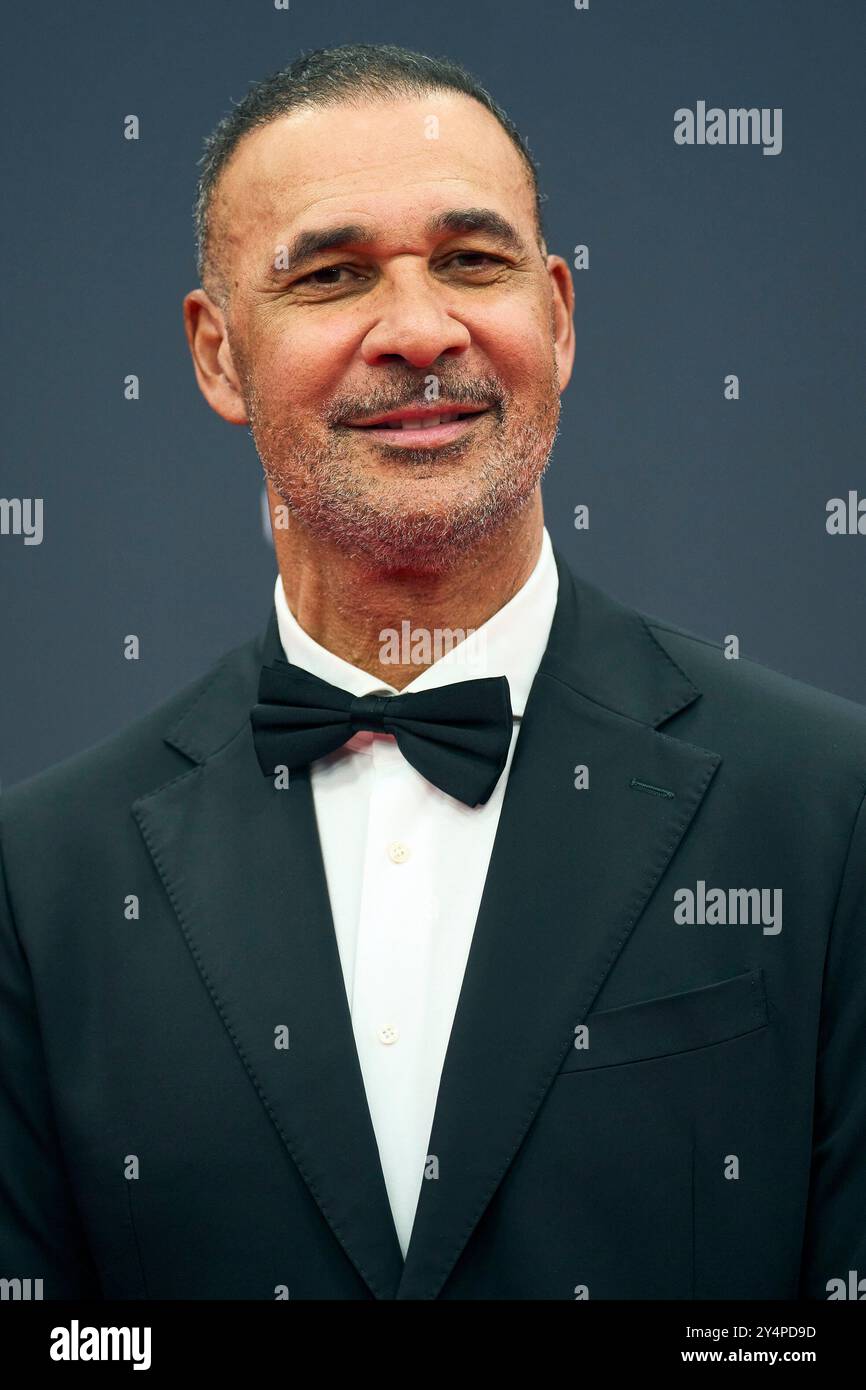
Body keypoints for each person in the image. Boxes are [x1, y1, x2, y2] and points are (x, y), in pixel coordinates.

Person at [1, 43, 865, 1302]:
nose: (417, 331)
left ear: (557, 320)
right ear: (216, 354)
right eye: (333, 273)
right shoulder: (42, 880)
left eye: (471, 261)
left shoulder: (828, 811)